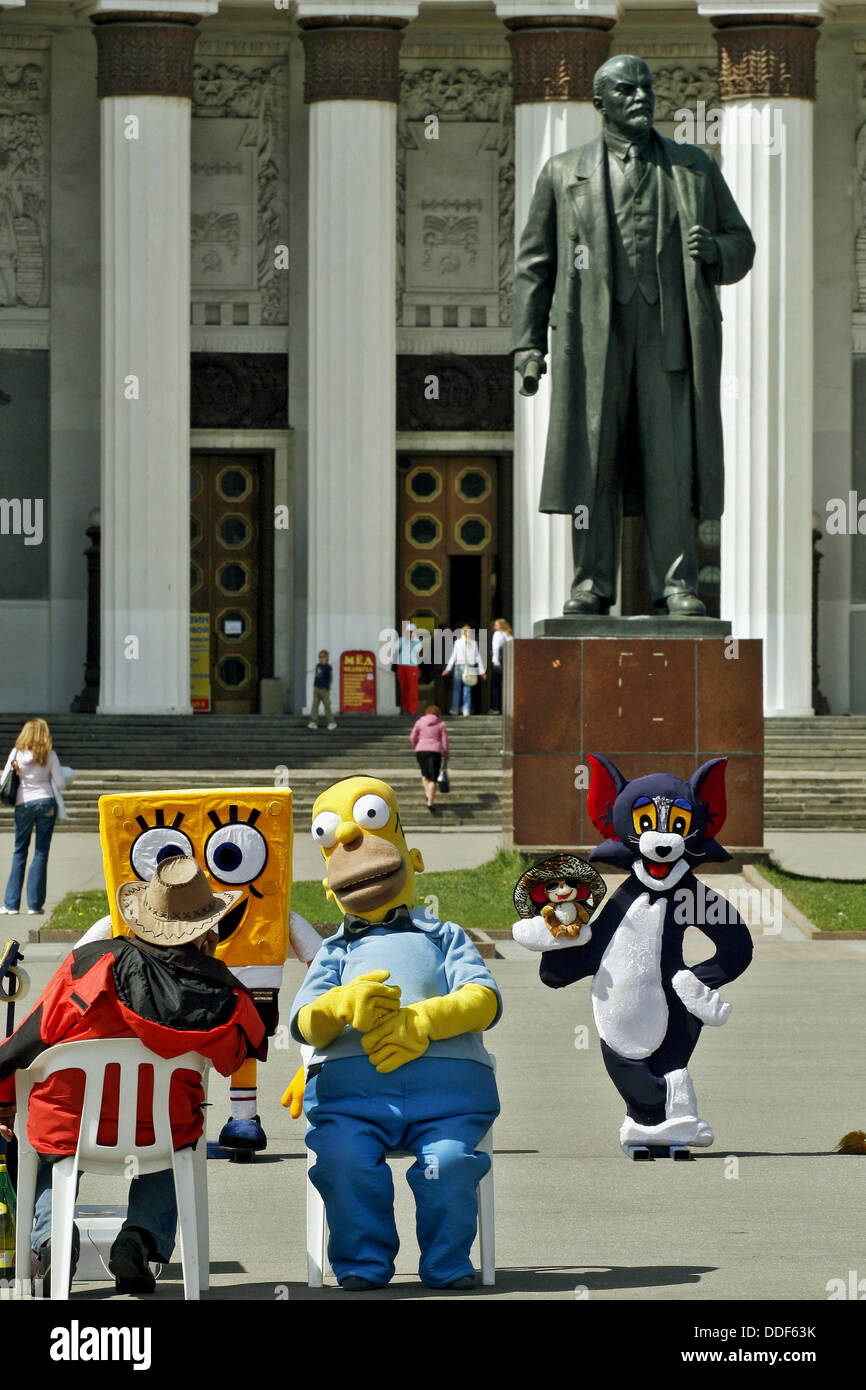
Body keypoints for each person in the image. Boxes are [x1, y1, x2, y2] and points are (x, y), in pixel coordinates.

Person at [511, 53, 754, 617]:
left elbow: (742, 244)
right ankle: (592, 582)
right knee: (593, 462)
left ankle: (676, 584)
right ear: (600, 102)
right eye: (626, 91)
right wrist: (528, 346)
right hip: (595, 344)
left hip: (671, 339)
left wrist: (715, 251)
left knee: (670, 465)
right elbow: (534, 266)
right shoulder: (561, 171)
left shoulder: (693, 169)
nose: (641, 98)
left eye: (646, 89)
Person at [0, 855, 266, 1295]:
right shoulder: (222, 992)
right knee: (179, 1126)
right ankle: (140, 1239)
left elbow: (33, 1038)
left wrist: (5, 1100)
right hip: (159, 1133)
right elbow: (234, 1057)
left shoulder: (90, 964)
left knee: (42, 1144)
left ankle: (51, 1240)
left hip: (68, 1126)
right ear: (207, 931)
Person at [292, 777, 501, 1290]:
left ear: (414, 857)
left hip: (445, 1101)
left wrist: (423, 1020)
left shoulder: (445, 935)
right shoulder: (334, 950)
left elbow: (486, 1000)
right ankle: (363, 1261)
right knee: (344, 1161)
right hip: (353, 1101)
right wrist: (338, 1005)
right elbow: (301, 1022)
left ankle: (447, 1260)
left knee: (448, 1164)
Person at [1, 718, 69, 917]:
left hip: (23, 804)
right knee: (40, 854)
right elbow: (60, 783)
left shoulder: (17, 753)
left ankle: (11, 905)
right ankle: (34, 905)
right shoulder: (50, 755)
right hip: (46, 802)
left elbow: (5, 778)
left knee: (19, 852)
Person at [410, 704, 449, 814]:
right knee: (433, 778)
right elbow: (445, 741)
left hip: (421, 750)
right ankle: (430, 802)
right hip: (434, 751)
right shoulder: (440, 724)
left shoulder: (420, 722)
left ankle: (428, 795)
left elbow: (412, 736)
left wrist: (416, 747)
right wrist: (446, 755)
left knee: (424, 775)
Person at [442, 625, 486, 717]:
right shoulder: (474, 643)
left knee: (456, 689)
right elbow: (478, 657)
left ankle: (454, 709)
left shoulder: (457, 642)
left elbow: (454, 656)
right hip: (470, 667)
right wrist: (482, 671)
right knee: (467, 690)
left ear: (462, 632)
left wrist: (448, 669)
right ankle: (466, 710)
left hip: (458, 667)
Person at [395, 620, 424, 715]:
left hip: (412, 667)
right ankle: (405, 708)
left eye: (411, 631)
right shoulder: (401, 640)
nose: (409, 633)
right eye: (408, 631)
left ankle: (413, 709)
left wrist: (411, 640)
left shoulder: (417, 642)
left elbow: (417, 650)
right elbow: (395, 648)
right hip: (401, 666)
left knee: (412, 689)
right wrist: (405, 640)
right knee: (404, 688)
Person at [308, 649, 337, 731]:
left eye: (323, 657)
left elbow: (329, 678)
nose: (321, 658)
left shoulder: (328, 667)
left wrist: (327, 687)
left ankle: (331, 721)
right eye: (319, 657)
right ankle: (313, 721)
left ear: (327, 658)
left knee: (327, 705)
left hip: (324, 689)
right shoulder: (318, 666)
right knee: (315, 705)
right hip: (316, 687)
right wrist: (315, 685)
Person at [490, 619, 513, 714]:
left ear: (501, 625)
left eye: (496, 624)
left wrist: (496, 661)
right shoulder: (509, 635)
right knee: (506, 686)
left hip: (498, 664)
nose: (495, 626)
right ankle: (507, 708)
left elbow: (495, 649)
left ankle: (495, 708)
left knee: (495, 686)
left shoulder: (497, 634)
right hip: (508, 664)